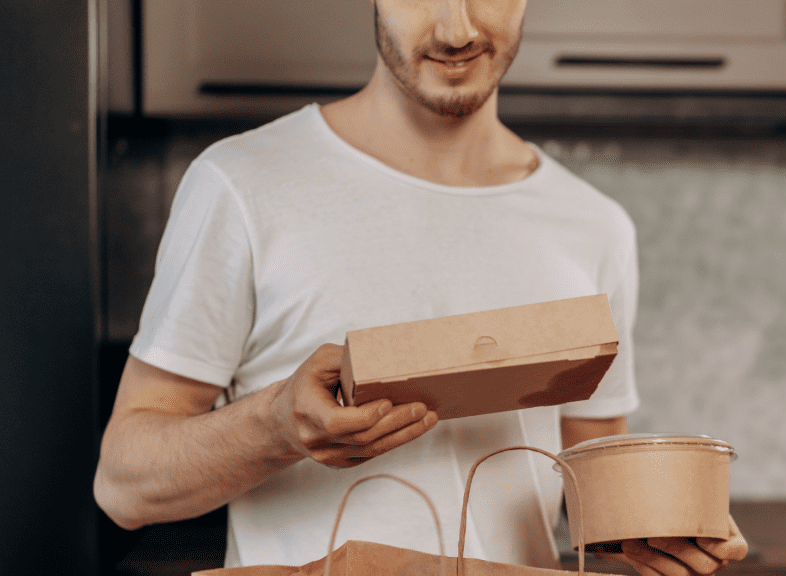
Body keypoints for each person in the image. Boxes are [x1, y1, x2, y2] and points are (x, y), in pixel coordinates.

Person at [94, 0, 748, 574]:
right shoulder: (242, 186)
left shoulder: (595, 225)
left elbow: (589, 464)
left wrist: (653, 516)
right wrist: (276, 426)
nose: (456, 27)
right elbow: (123, 486)